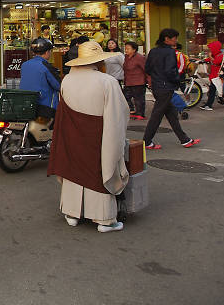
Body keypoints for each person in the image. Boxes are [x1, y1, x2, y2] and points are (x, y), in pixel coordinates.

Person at [47, 40, 130, 232]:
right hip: (98, 136)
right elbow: (118, 115)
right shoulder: (107, 81)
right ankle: (104, 220)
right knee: (100, 169)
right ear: (98, 60)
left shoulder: (67, 80)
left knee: (72, 168)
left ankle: (72, 213)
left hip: (72, 136)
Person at [143, 28, 200, 150]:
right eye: (174, 38)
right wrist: (176, 80)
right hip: (166, 87)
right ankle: (146, 141)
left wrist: (157, 76)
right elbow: (170, 71)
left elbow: (147, 69)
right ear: (167, 39)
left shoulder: (153, 51)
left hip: (157, 86)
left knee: (171, 114)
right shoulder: (169, 52)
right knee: (157, 115)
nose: (176, 40)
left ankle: (184, 140)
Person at [19, 38, 60, 118]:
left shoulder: (24, 65)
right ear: (47, 52)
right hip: (44, 108)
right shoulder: (46, 66)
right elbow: (58, 85)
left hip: (26, 104)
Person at [122, 41, 146, 120]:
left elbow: (146, 69)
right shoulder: (126, 57)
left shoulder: (139, 57)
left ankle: (140, 114)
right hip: (128, 81)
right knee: (125, 96)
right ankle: (132, 110)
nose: (126, 50)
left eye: (128, 49)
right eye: (125, 49)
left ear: (134, 49)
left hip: (138, 81)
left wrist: (149, 81)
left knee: (138, 99)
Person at [200, 39, 224, 111]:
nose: (210, 50)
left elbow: (215, 62)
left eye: (211, 48)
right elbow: (207, 60)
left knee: (212, 91)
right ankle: (208, 104)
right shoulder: (215, 55)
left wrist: (210, 56)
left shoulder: (221, 55)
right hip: (214, 76)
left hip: (217, 76)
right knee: (212, 90)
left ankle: (209, 105)